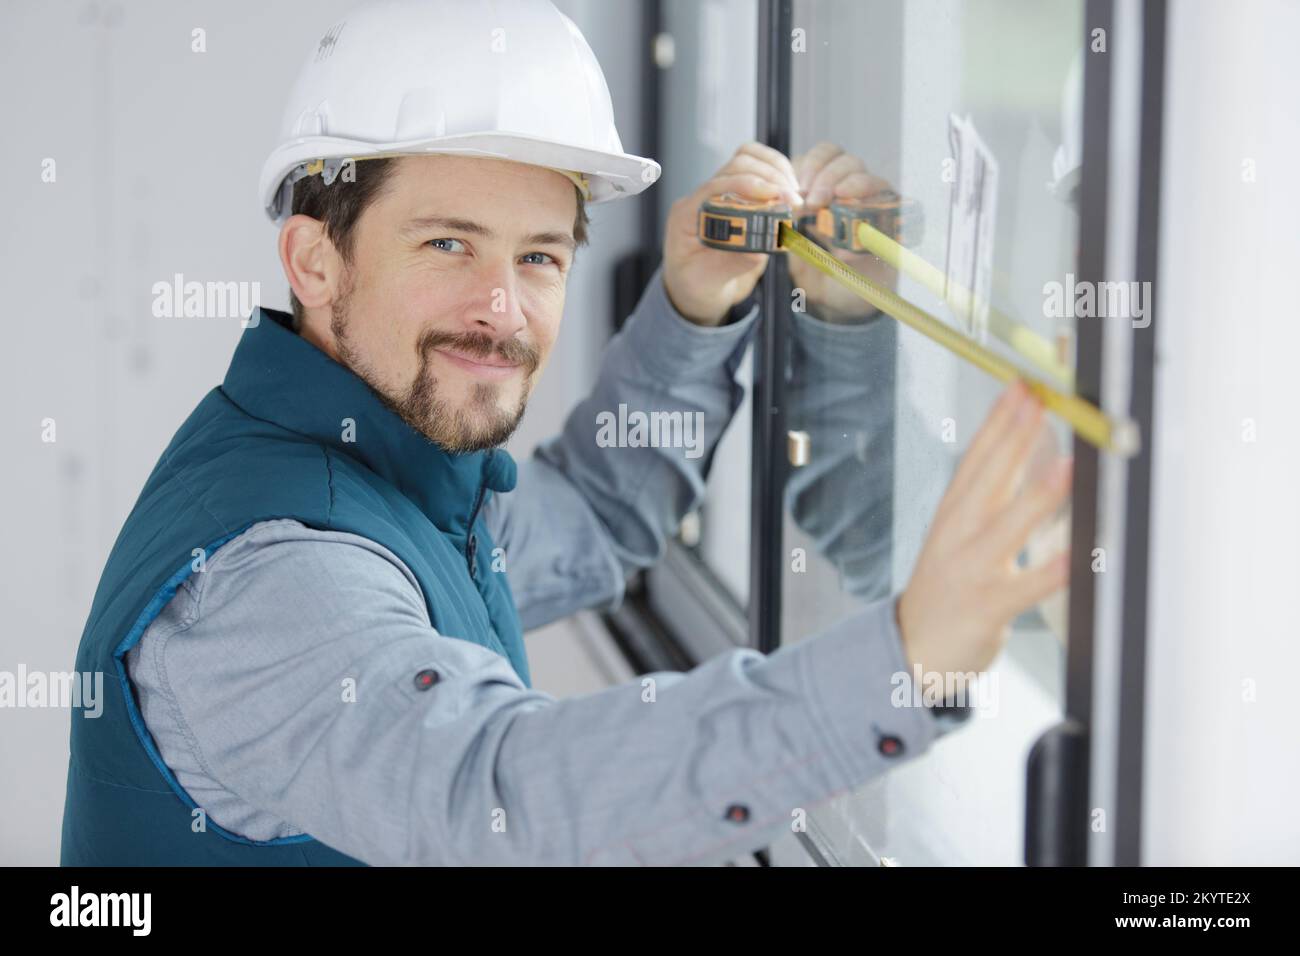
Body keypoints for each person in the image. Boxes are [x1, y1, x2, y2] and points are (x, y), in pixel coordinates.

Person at [60, 0, 1069, 866]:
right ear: (315, 260)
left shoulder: (378, 469)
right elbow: (508, 793)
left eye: (539, 257)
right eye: (447, 242)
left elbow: (588, 515)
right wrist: (904, 658)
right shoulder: (274, 577)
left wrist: (696, 303)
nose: (499, 307)